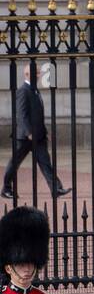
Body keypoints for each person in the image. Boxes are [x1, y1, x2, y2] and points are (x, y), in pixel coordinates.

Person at [3, 64, 69, 202]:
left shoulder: (35, 90)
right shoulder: (23, 91)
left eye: (39, 72)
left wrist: (44, 132)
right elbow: (21, 114)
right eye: (36, 73)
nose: (39, 75)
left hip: (38, 137)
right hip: (25, 137)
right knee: (15, 163)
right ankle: (6, 188)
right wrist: (28, 132)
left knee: (46, 163)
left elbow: (38, 115)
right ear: (27, 75)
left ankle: (56, 188)